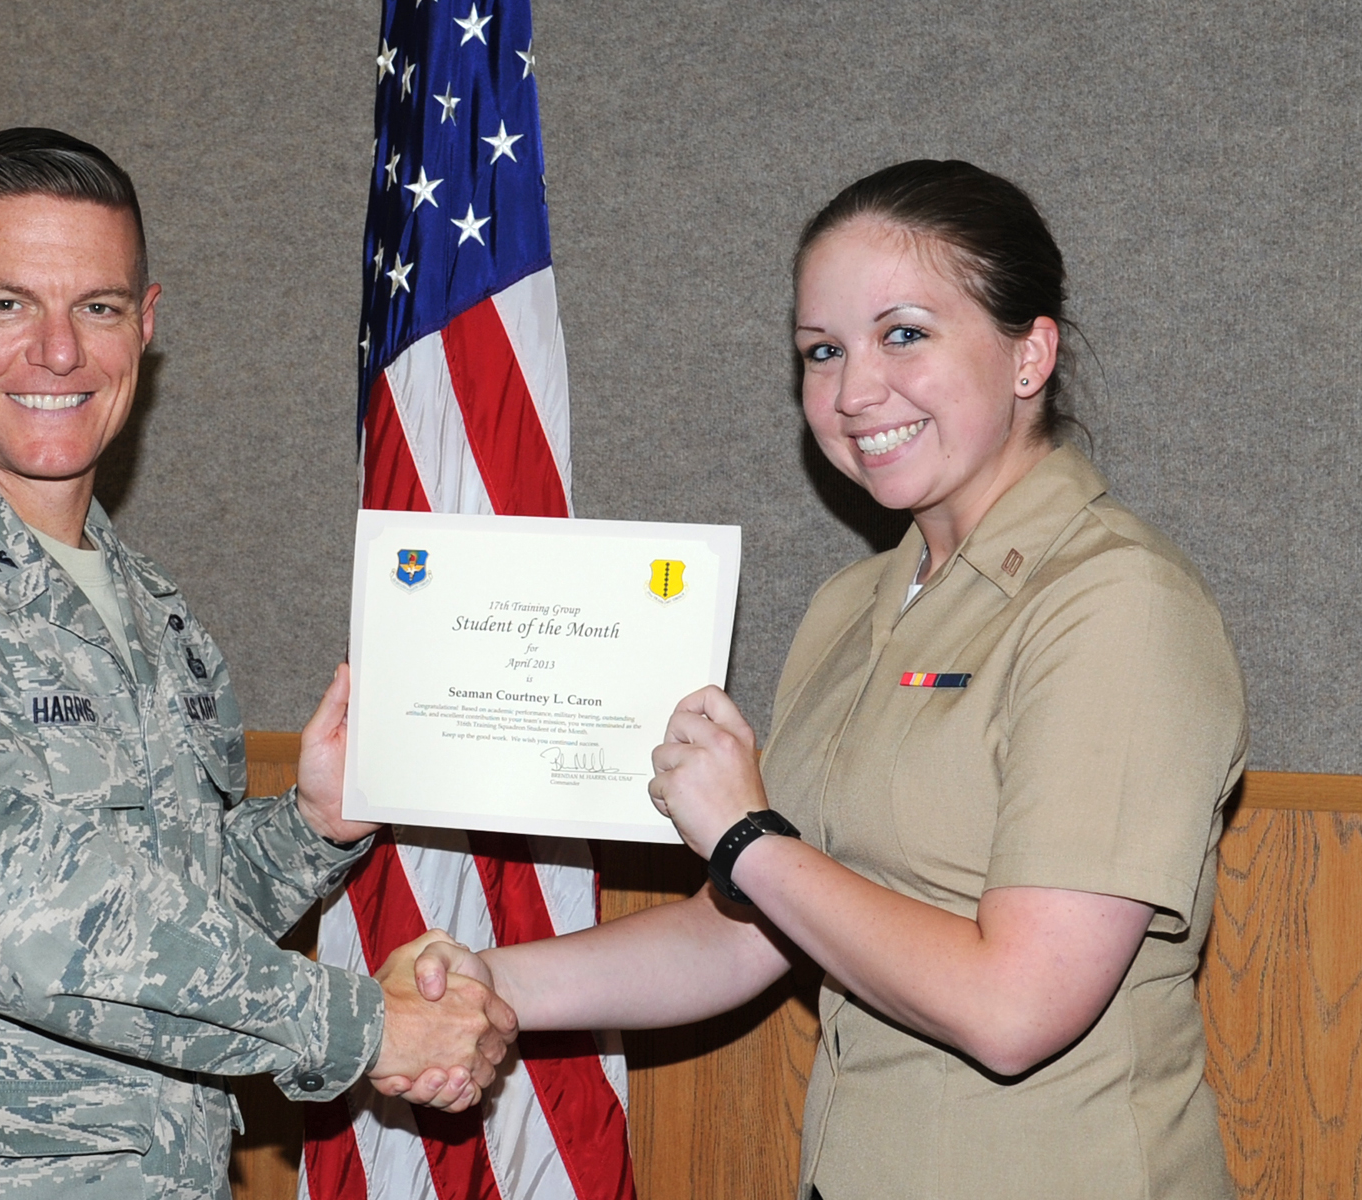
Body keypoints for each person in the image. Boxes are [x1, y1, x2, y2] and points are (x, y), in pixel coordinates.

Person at [412, 160, 1248, 1199]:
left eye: (905, 334)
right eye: (824, 350)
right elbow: (745, 937)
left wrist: (747, 838)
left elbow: (1017, 1009)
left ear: (1029, 353)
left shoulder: (1118, 603)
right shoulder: (853, 608)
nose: (854, 392)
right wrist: (487, 983)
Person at [0, 127, 512, 1200]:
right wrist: (361, 1026)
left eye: (97, 307)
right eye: (6, 304)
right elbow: (18, 917)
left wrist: (311, 827)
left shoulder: (149, 607)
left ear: (145, 325)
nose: (58, 352)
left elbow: (169, 912)